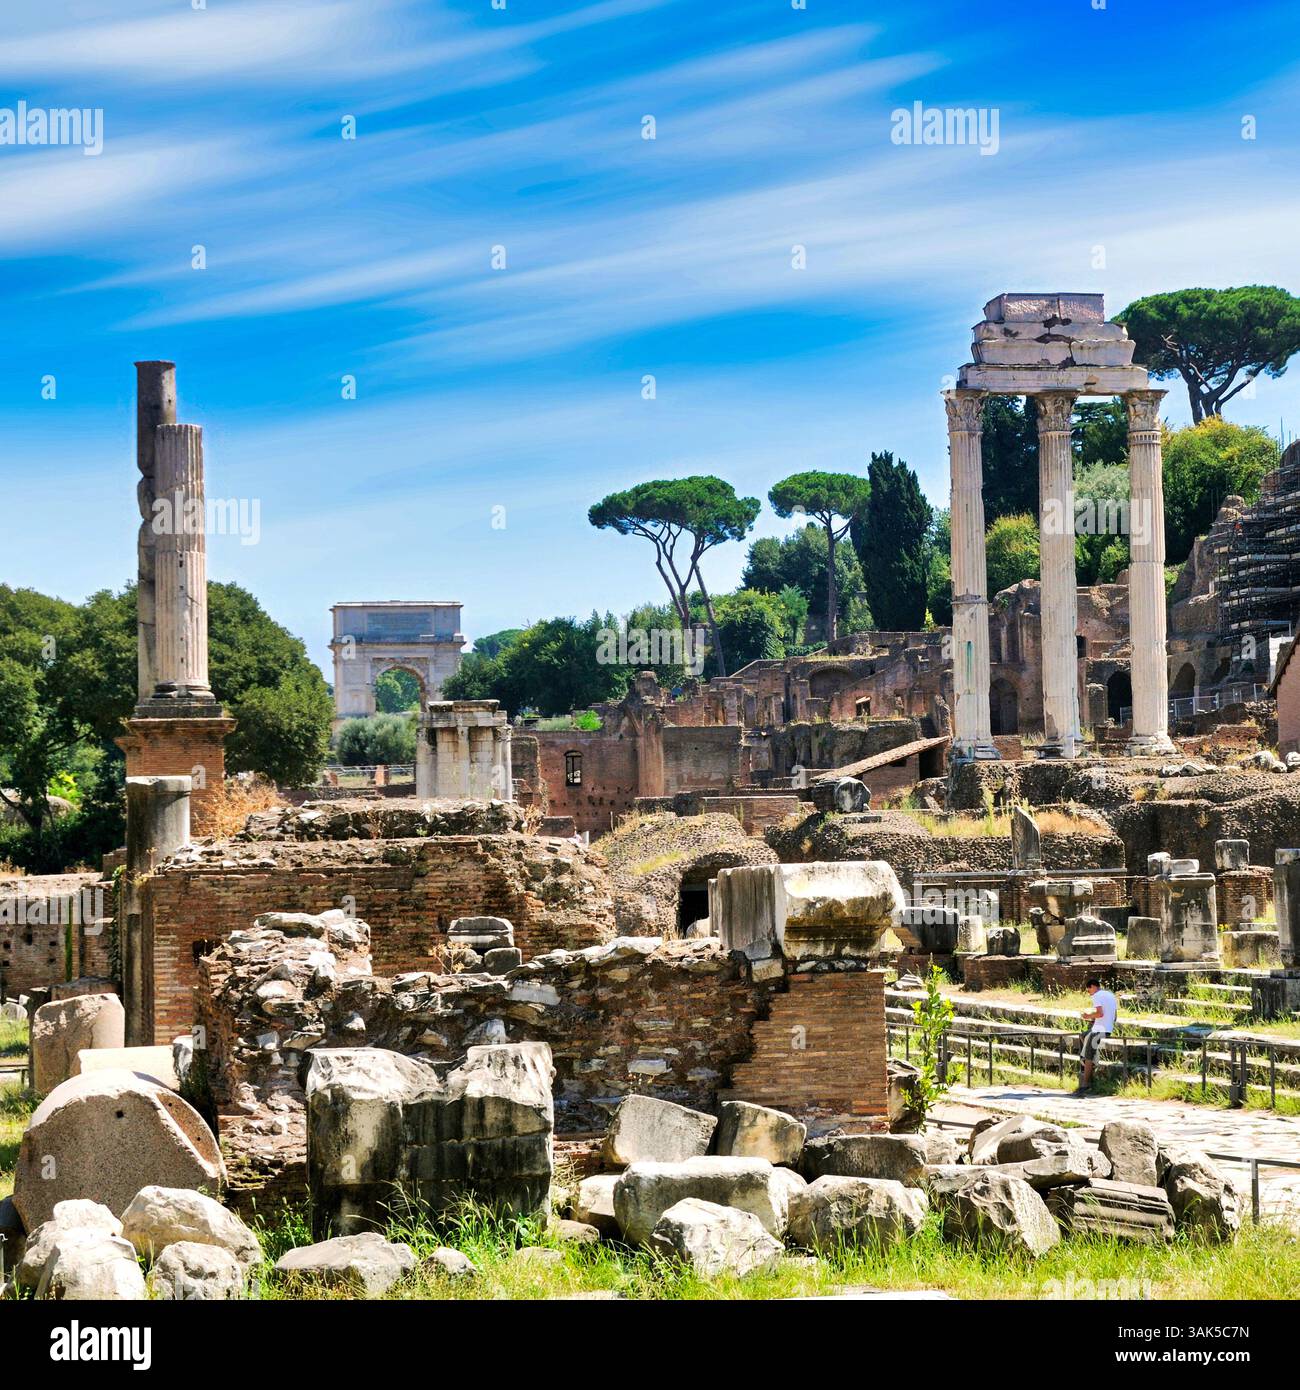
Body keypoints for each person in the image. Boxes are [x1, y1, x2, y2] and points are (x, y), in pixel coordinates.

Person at [1076, 977, 1117, 1095]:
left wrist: (1087, 1016)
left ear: (1093, 987)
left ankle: (1085, 1083)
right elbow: (1114, 1016)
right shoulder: (1110, 994)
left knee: (1089, 1055)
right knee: (1083, 1035)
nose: (1089, 994)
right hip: (1107, 1028)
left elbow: (1100, 1013)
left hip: (1099, 1032)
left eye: (1089, 991)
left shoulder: (1097, 996)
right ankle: (1087, 1061)